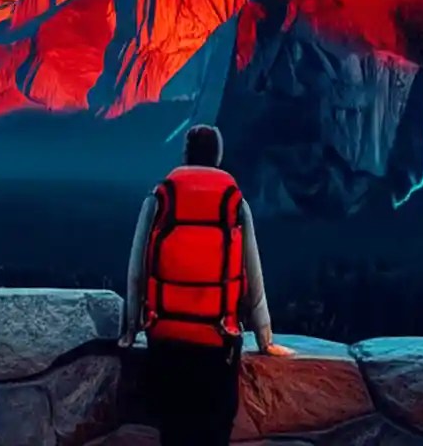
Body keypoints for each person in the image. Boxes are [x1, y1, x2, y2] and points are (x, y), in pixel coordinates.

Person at [118, 124, 293, 446]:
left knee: (173, 432)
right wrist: (264, 339)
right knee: (213, 433)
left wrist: (130, 330)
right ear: (218, 157)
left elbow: (136, 271)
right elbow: (253, 275)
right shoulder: (233, 201)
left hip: (166, 339)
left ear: (185, 154)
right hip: (217, 342)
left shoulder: (161, 196)